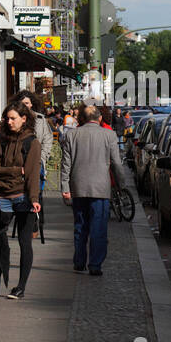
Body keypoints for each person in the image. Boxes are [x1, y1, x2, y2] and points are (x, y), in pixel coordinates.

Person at [0, 103, 42, 301]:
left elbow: (32, 173)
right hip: (1, 195)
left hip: (23, 197)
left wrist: (34, 199)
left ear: (24, 119)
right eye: (7, 118)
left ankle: (20, 287)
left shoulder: (32, 142)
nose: (9, 121)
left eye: (13, 118)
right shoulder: (2, 139)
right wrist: (16, 170)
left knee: (25, 243)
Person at [60, 103, 124, 275]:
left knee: (80, 226)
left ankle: (79, 262)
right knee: (98, 227)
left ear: (82, 118)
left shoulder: (71, 135)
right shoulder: (109, 135)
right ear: (100, 118)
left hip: (78, 187)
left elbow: (66, 165)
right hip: (100, 188)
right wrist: (121, 184)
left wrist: (65, 187)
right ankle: (95, 264)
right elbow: (117, 163)